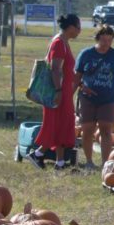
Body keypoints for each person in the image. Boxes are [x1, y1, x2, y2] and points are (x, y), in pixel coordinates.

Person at [75, 22, 114, 166]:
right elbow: (76, 76)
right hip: (87, 99)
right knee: (87, 131)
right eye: (103, 40)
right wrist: (81, 86)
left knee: (106, 131)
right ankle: (89, 162)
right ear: (97, 39)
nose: (106, 43)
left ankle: (105, 163)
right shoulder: (86, 54)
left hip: (108, 99)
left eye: (109, 40)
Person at [34, 13, 80, 168]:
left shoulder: (64, 42)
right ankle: (37, 154)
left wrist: (78, 82)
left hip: (64, 91)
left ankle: (60, 162)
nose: (79, 31)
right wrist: (58, 90)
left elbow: (66, 70)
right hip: (57, 91)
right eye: (78, 27)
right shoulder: (59, 43)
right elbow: (55, 69)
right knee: (54, 125)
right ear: (71, 27)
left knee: (63, 124)